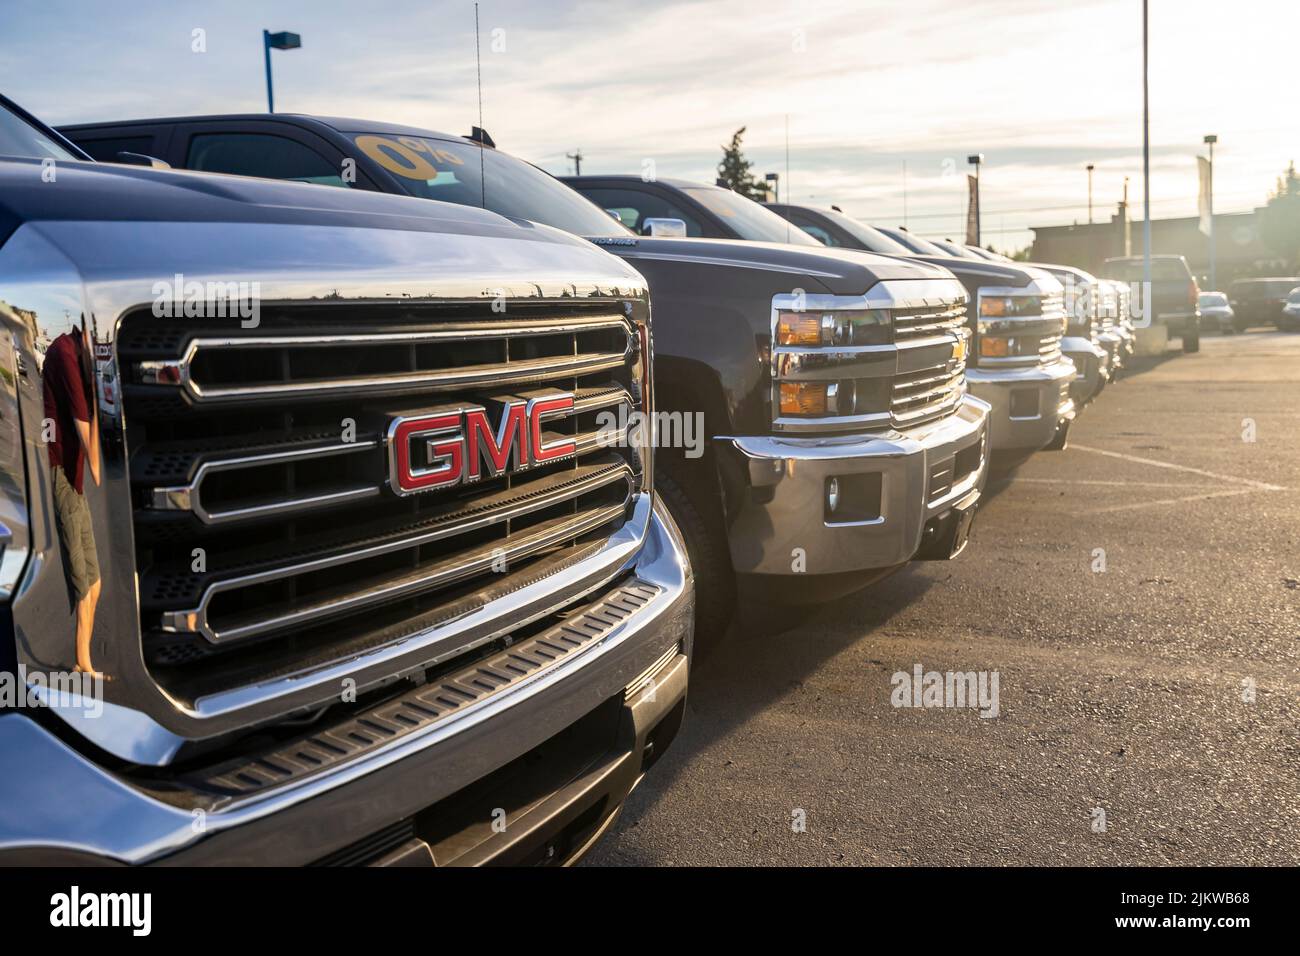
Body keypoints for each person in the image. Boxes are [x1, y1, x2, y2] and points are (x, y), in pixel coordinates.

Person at [42, 320, 102, 678]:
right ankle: (84, 665)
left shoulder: (77, 354)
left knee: (97, 582)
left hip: (74, 479)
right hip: (63, 475)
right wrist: (99, 394)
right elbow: (96, 463)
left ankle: (84, 662)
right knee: (82, 584)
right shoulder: (66, 355)